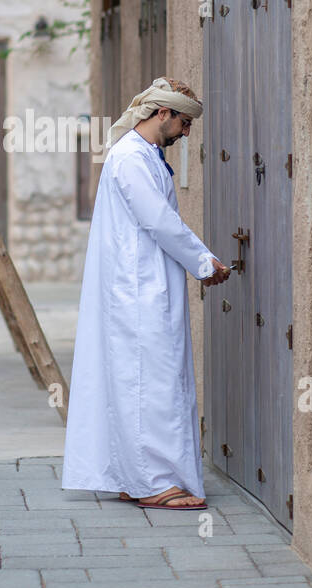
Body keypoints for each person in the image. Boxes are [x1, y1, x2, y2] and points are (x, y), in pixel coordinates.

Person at [61, 76, 230, 511]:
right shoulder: (130, 158)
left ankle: (135, 476)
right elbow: (157, 220)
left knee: (143, 381)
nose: (187, 132)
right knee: (146, 384)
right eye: (184, 123)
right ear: (162, 113)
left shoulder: (144, 156)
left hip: (145, 284)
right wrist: (203, 261)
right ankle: (152, 482)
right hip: (136, 291)